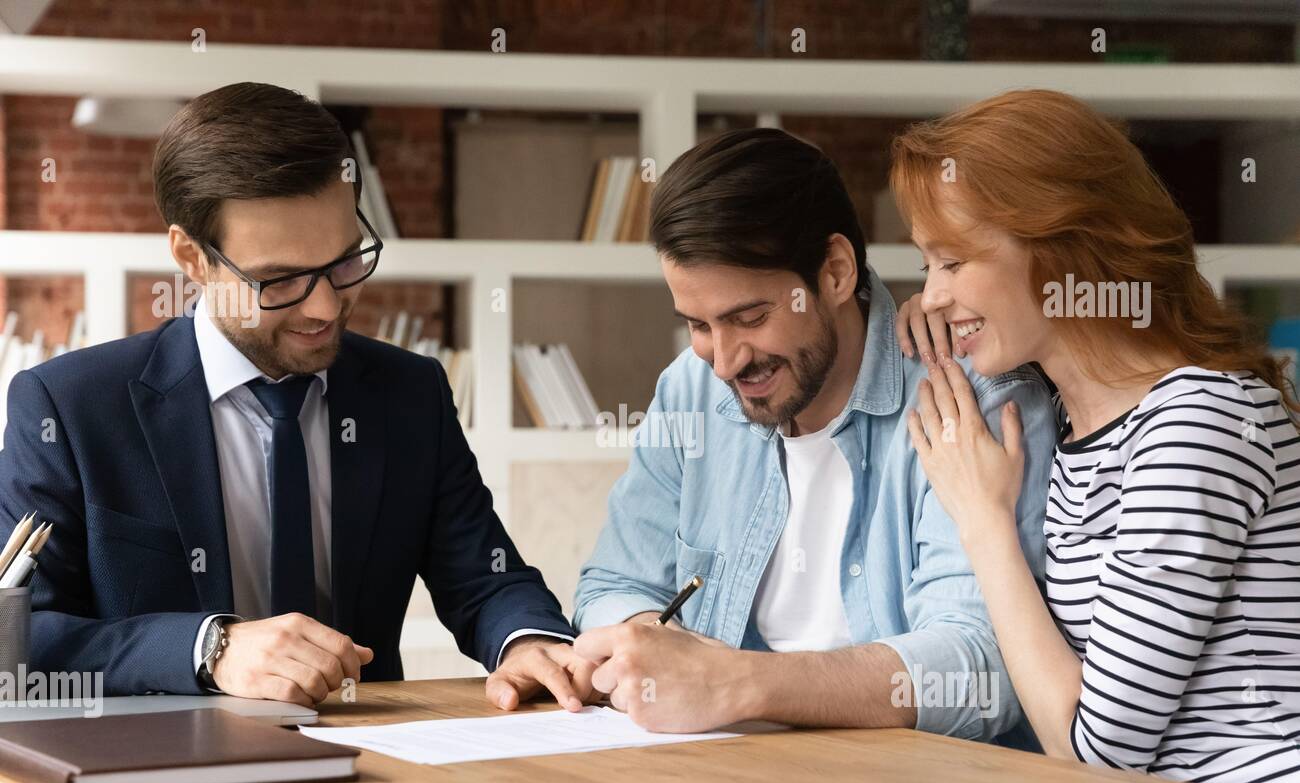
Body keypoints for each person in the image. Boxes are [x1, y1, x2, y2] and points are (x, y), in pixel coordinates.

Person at [0, 82, 594, 711]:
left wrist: (526, 641)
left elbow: (485, 575)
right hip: (153, 780)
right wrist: (210, 649)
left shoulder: (408, 393)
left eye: (343, 263)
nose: (326, 306)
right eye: (281, 279)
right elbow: (20, 638)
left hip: (370, 768)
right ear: (191, 257)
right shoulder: (68, 407)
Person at [569, 127, 1058, 742]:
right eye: (698, 324)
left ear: (834, 271)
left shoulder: (973, 396)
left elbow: (977, 667)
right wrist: (648, 654)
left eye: (749, 317)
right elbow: (617, 583)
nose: (723, 361)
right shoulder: (690, 391)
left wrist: (737, 682)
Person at [895, 89, 1300, 783]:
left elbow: (1099, 752)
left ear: (1060, 250)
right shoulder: (1067, 419)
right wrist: (949, 307)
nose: (929, 294)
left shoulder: (1196, 423)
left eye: (952, 262)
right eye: (927, 266)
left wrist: (984, 521)